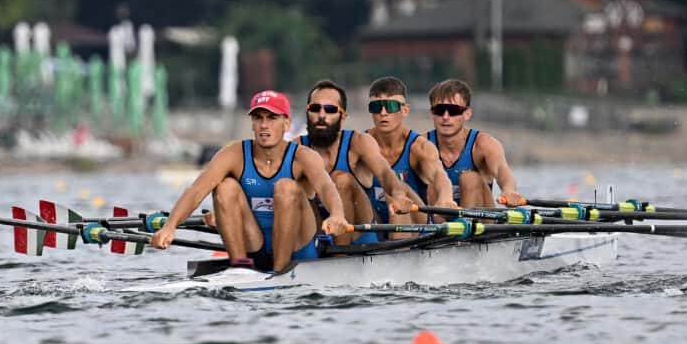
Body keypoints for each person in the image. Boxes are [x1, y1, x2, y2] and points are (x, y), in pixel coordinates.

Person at [149, 90, 348, 272]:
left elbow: (326, 188)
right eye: (258, 118)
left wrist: (337, 215)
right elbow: (196, 190)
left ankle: (279, 271)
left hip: (298, 248)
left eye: (272, 118)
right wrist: (170, 226)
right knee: (225, 187)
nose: (264, 125)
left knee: (285, 187)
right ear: (252, 123)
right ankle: (239, 265)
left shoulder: (303, 156)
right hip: (255, 245)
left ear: (286, 123)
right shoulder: (233, 154)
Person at [300, 80, 414, 241]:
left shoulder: (359, 142)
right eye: (315, 108)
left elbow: (384, 172)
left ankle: (340, 255)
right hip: (319, 231)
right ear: (307, 112)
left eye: (330, 109)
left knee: (341, 179)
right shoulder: (297, 148)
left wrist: (398, 194)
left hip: (362, 234)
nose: (321, 115)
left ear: (343, 116)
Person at [365, 76, 456, 222]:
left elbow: (440, 176)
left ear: (405, 110)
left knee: (397, 191)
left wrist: (445, 198)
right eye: (376, 107)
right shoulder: (360, 144)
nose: (383, 113)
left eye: (390, 106)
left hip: (413, 222)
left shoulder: (419, 147)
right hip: (375, 222)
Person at [426, 78, 526, 208]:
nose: (445, 117)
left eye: (453, 111)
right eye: (439, 110)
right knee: (430, 179)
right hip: (439, 221)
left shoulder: (484, 144)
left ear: (467, 114)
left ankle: (465, 224)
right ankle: (441, 226)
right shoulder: (420, 145)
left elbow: (502, 170)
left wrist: (509, 190)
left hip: (480, 221)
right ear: (432, 113)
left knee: (469, 179)